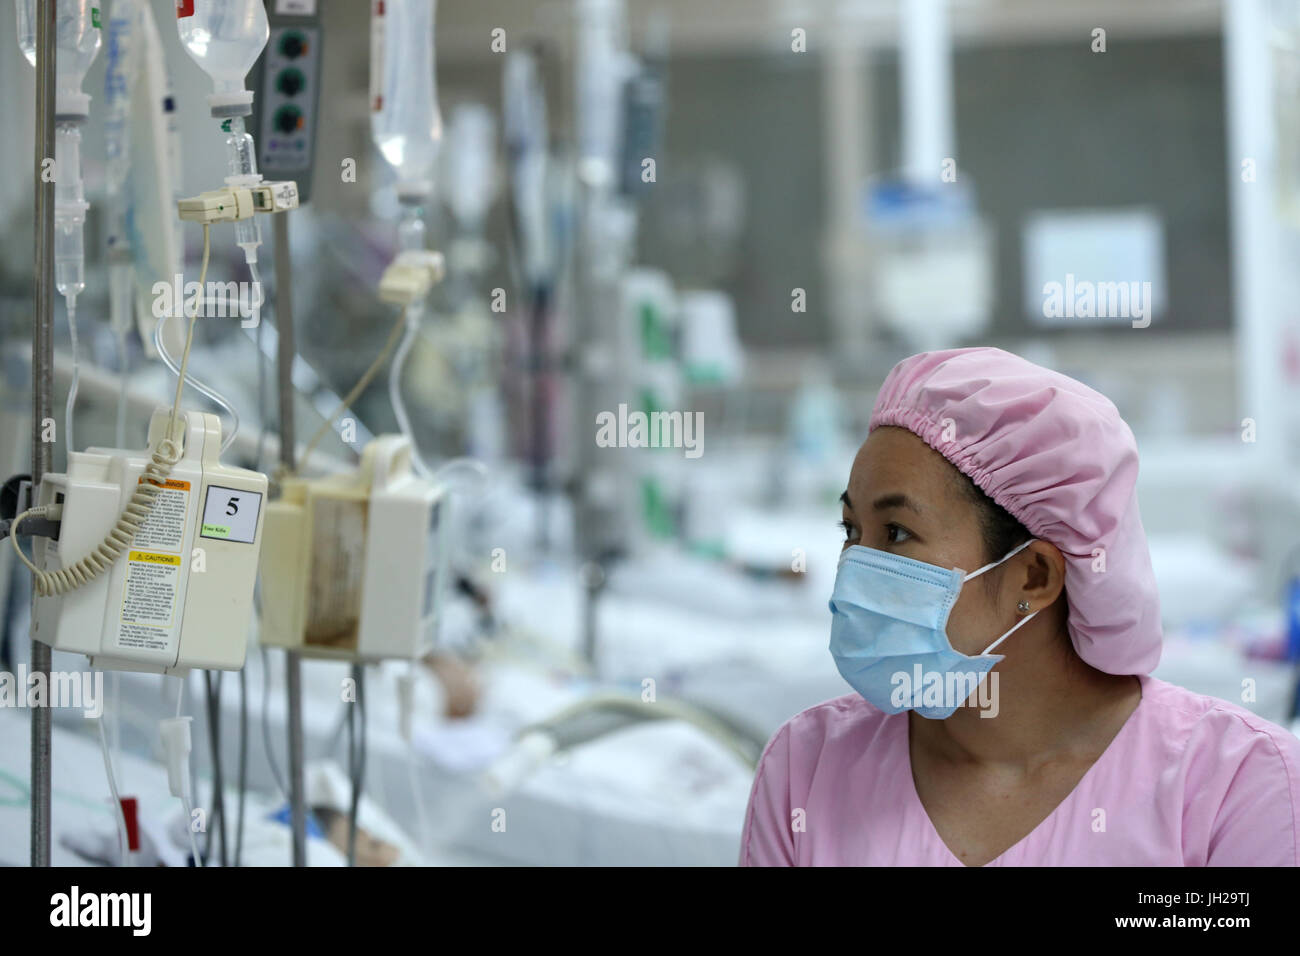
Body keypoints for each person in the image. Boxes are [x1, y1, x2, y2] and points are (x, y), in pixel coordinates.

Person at [740, 347, 1300, 866]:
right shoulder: (806, 773)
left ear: (1033, 577)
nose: (853, 571)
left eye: (896, 532)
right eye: (850, 530)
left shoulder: (1235, 786)